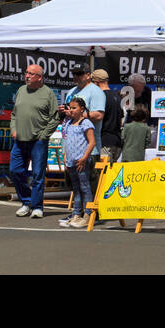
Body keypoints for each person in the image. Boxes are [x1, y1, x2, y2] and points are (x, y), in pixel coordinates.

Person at [10, 64, 59, 219]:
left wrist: (44, 135)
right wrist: (13, 129)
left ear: (39, 77)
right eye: (26, 72)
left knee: (38, 174)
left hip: (38, 141)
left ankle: (37, 206)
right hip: (19, 140)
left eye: (31, 74)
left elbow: (55, 117)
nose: (27, 76)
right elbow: (14, 114)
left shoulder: (48, 93)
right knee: (15, 170)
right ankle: (26, 201)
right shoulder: (21, 90)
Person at [59, 96, 95, 228]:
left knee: (85, 187)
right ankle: (76, 214)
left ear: (82, 109)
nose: (72, 110)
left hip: (82, 162)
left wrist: (85, 157)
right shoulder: (68, 123)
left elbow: (91, 142)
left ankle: (88, 214)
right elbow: (67, 141)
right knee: (76, 188)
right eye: (70, 108)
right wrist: (65, 156)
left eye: (74, 108)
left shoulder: (85, 123)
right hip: (71, 162)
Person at [60, 64, 106, 155]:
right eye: (74, 74)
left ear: (88, 75)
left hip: (88, 150)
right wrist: (63, 111)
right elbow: (68, 113)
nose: (76, 76)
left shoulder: (96, 91)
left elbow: (99, 115)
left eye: (79, 74)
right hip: (70, 147)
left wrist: (75, 114)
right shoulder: (71, 91)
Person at [92, 69, 123, 162]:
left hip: (104, 142)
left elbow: (98, 117)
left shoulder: (101, 96)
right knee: (111, 174)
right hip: (117, 142)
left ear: (96, 82)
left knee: (102, 173)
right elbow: (120, 121)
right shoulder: (117, 96)